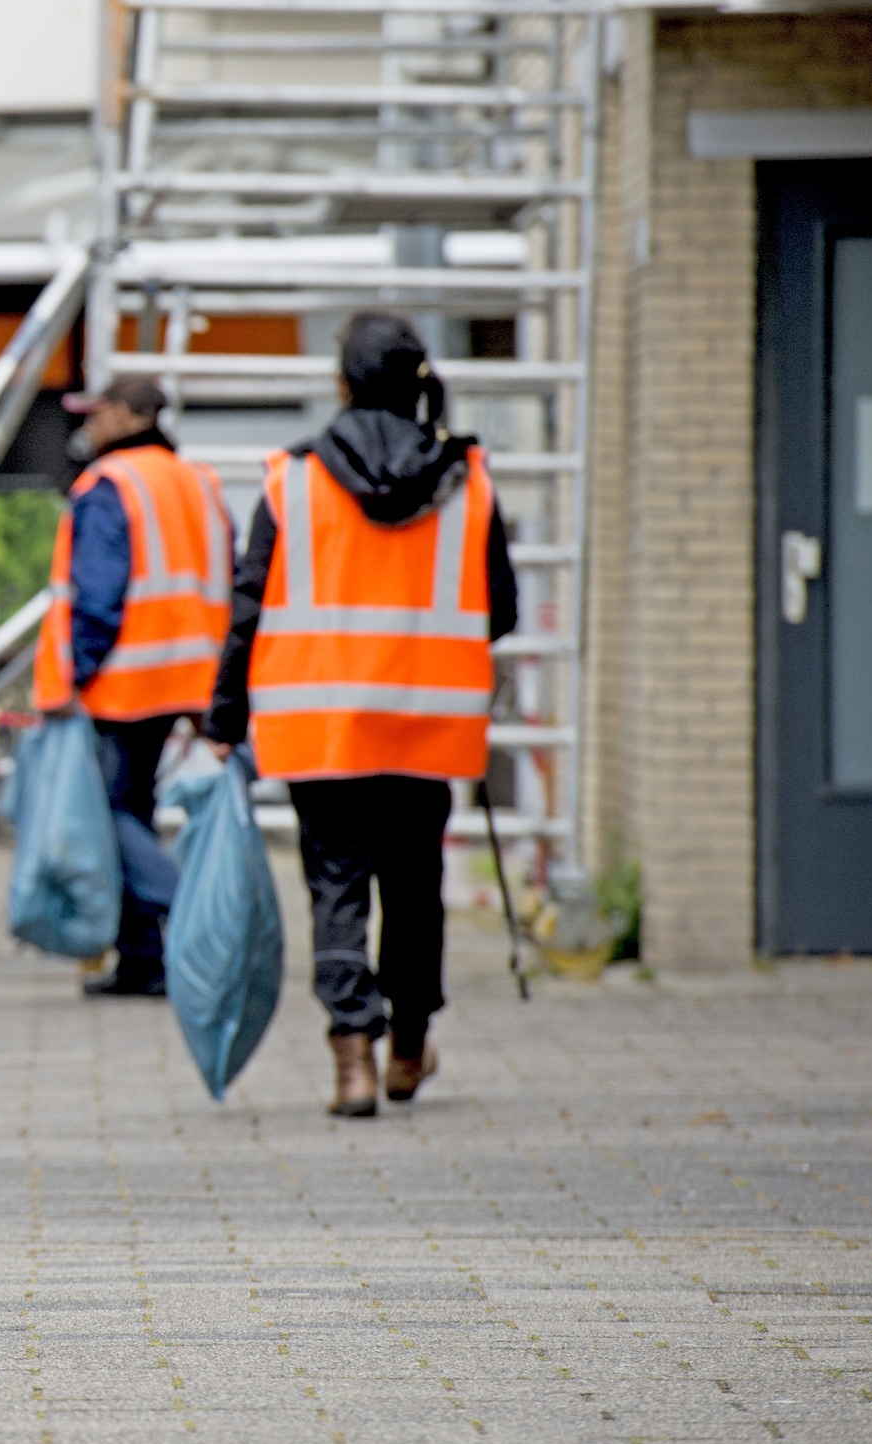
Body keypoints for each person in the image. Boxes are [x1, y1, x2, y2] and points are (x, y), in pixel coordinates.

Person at [204, 313, 517, 1118]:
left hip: (322, 724)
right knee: (414, 889)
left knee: (336, 886)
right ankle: (408, 1051)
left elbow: (249, 608)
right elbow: (502, 610)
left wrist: (224, 719)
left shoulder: (290, 482)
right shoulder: (465, 478)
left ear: (340, 383)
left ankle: (352, 1061)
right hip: (426, 720)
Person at [32, 376, 233, 997]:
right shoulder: (200, 483)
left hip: (126, 677)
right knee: (134, 806)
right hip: (194, 675)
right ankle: (144, 960)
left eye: (98, 412)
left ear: (126, 416)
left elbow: (97, 594)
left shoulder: (109, 486)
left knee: (109, 812)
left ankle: (184, 908)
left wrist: (76, 673)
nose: (88, 424)